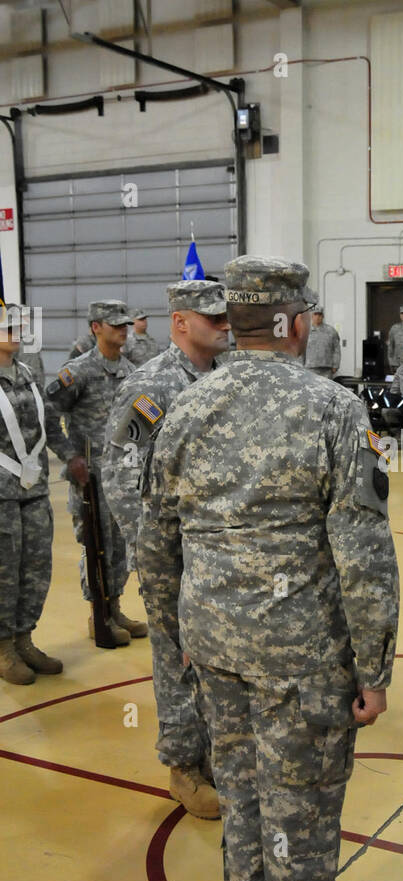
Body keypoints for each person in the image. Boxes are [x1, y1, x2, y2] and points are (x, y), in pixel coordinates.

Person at [137, 255, 399, 881]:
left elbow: (155, 544)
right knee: (303, 799)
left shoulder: (187, 407)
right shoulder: (332, 410)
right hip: (303, 653)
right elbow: (362, 553)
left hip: (214, 646)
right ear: (292, 323)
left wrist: (176, 631)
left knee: (245, 793)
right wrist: (374, 667)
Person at [103, 279, 231, 818]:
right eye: (212, 318)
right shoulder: (151, 385)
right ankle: (183, 765)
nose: (225, 325)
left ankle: (215, 753)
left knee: (217, 656)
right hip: (171, 553)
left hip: (220, 550)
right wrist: (153, 552)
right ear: (179, 322)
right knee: (176, 658)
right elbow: (119, 472)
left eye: (227, 317)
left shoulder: (225, 379)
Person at [44, 301, 147, 646]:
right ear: (95, 328)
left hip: (123, 477)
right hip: (91, 476)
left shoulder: (132, 372)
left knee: (119, 545)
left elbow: (144, 419)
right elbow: (48, 414)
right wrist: (70, 456)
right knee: (95, 542)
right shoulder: (79, 372)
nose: (123, 329)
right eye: (115, 324)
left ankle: (114, 607)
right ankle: (97, 614)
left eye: (125, 324)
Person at [0, 303, 62, 685]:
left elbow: (49, 420)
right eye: (6, 324)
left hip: (33, 487)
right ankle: (3, 646)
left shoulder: (27, 373)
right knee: (3, 571)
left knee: (36, 567)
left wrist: (69, 455)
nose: (15, 329)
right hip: (0, 494)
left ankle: (24, 638)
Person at [304, 307, 341, 379]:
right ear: (312, 316)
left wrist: (336, 365)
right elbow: (301, 350)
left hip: (326, 368)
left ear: (323, 316)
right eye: (315, 314)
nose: (317, 317)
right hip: (310, 367)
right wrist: (300, 365)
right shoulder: (305, 331)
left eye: (320, 315)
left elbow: (336, 349)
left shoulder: (331, 331)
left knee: (326, 389)